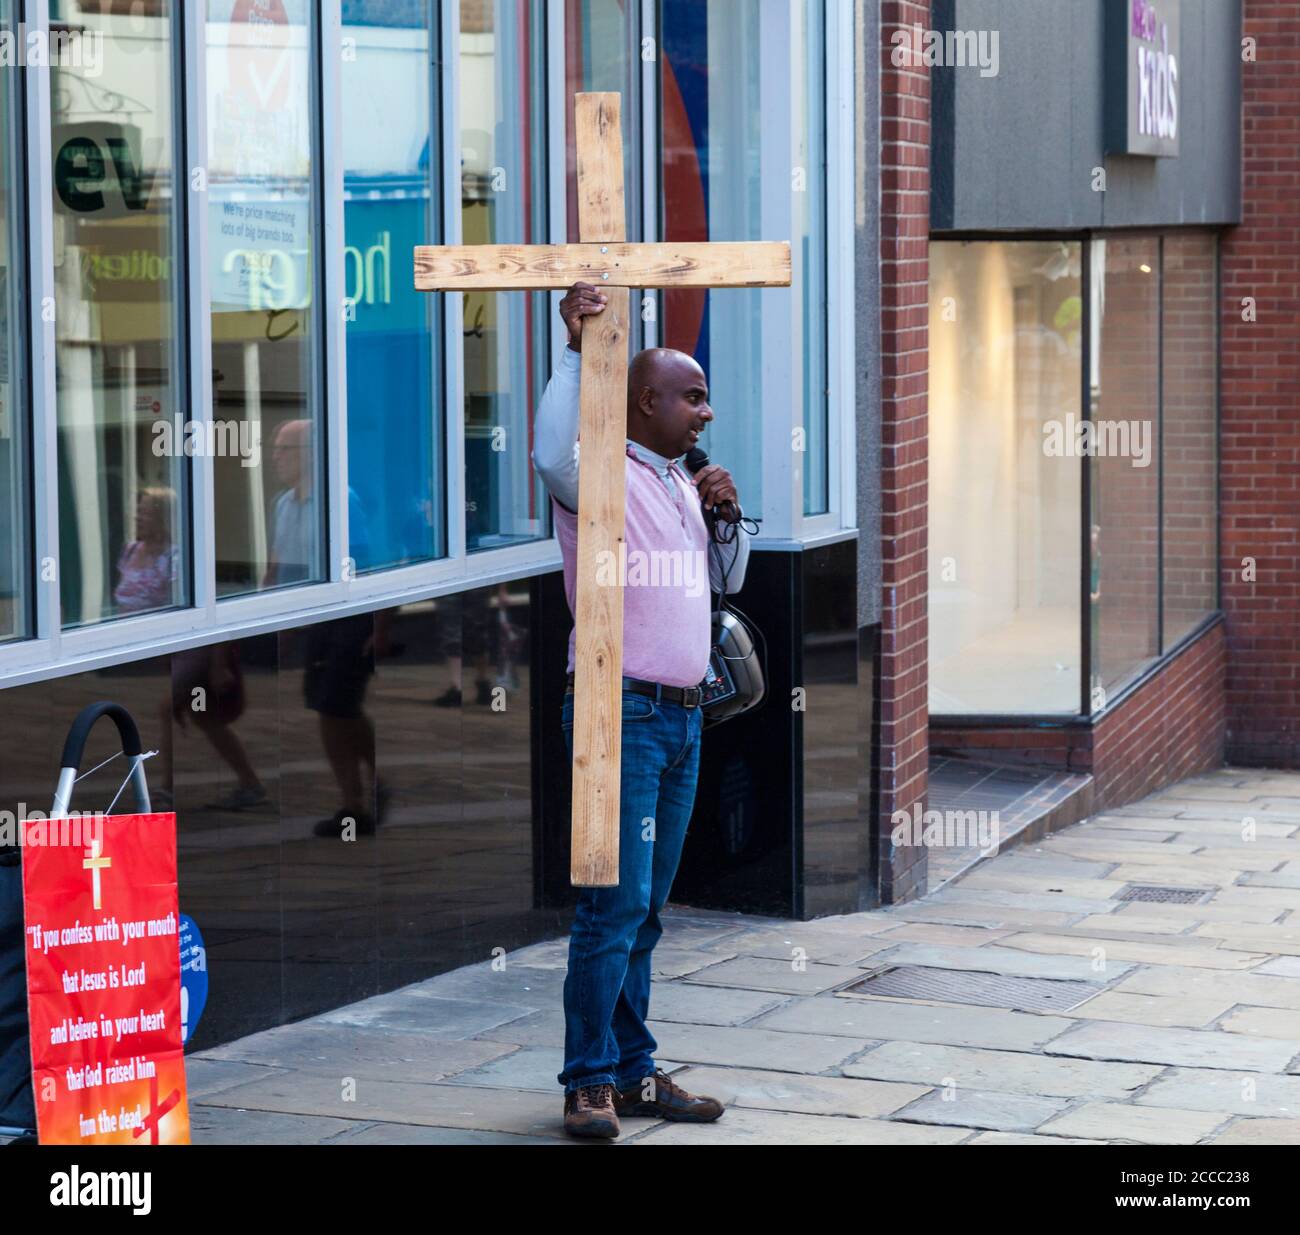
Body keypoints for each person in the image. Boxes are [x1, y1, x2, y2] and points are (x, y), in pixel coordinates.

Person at [532, 282, 751, 1139]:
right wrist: (573, 347)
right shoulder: (597, 473)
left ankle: (631, 1070)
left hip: (684, 719)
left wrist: (723, 515)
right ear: (644, 401)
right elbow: (551, 453)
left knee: (649, 907)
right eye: (690, 396)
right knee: (610, 906)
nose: (705, 410)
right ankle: (586, 1078)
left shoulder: (683, 484)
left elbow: (725, 587)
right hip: (616, 713)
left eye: (702, 396)